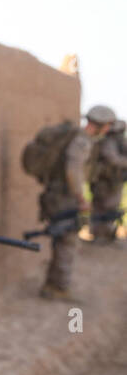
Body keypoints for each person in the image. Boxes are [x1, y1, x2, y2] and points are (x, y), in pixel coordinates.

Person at [38, 105, 115, 298]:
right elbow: (73, 171)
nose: (107, 130)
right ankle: (58, 287)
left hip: (60, 195)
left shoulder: (78, 138)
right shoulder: (82, 142)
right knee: (68, 240)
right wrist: (81, 199)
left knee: (63, 239)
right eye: (106, 126)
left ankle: (53, 284)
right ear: (99, 125)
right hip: (64, 197)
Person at [88, 118, 127, 245]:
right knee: (102, 208)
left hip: (114, 181)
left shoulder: (119, 142)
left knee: (111, 209)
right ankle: (99, 235)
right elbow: (112, 159)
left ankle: (106, 235)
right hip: (103, 182)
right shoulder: (108, 142)